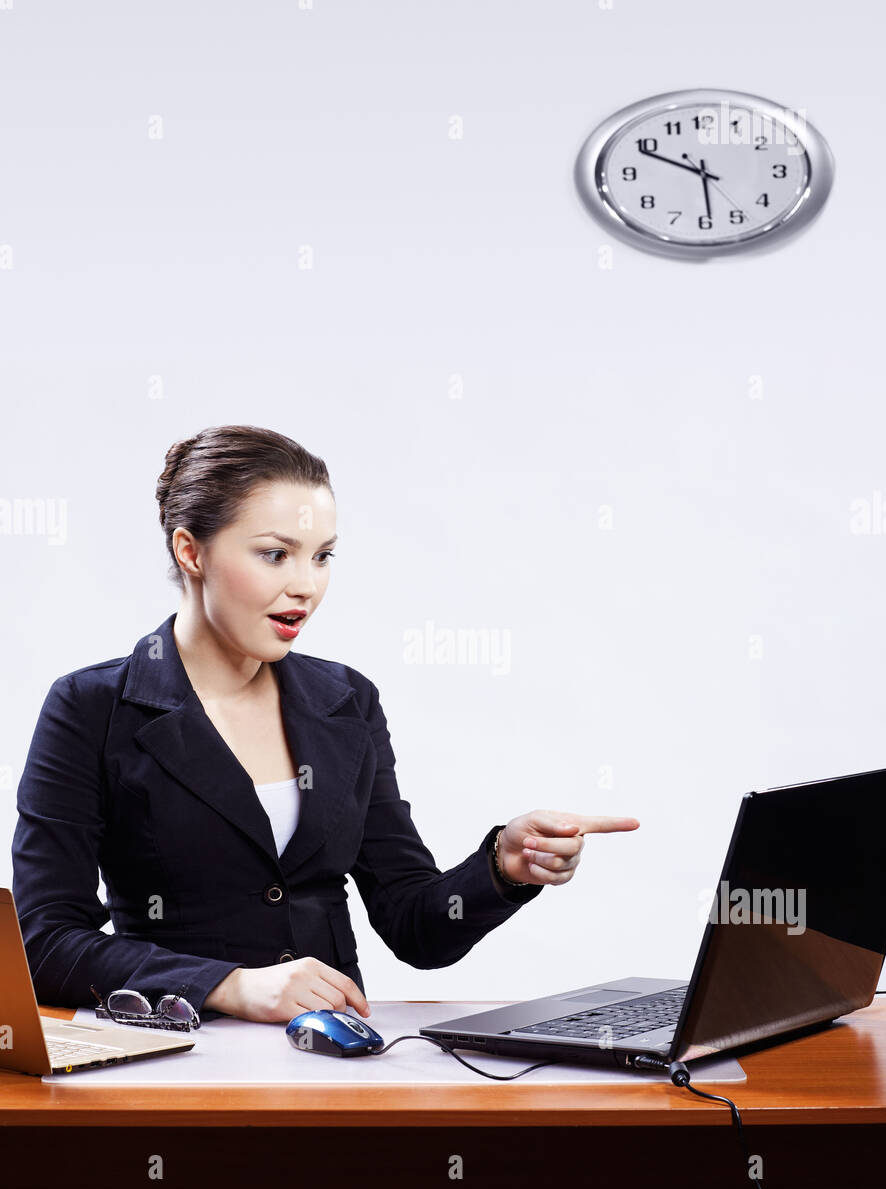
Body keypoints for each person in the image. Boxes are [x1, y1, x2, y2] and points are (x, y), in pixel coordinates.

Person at [11, 425, 639, 1026]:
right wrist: (230, 986)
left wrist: (501, 868)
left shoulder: (346, 700)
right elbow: (42, 943)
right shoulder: (91, 707)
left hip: (334, 1062)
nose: (306, 585)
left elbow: (413, 924)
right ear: (190, 550)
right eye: (275, 554)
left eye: (322, 556)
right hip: (176, 1059)